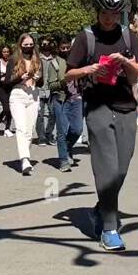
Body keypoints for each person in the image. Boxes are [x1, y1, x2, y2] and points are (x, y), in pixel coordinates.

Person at [66, 0, 138, 251]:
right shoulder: (85, 37)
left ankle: (100, 209)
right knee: (107, 169)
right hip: (97, 106)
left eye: (114, 13)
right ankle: (110, 229)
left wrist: (124, 63)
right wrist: (89, 69)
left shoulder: (128, 36)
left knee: (122, 167)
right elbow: (68, 75)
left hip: (126, 106)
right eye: (105, 13)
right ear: (98, 11)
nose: (109, 18)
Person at [6, 33, 43, 175]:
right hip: (18, 94)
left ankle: (25, 156)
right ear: (20, 45)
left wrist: (37, 78)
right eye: (25, 45)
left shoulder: (37, 60)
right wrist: (19, 77)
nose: (28, 47)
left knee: (30, 129)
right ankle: (25, 159)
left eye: (31, 44)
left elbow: (42, 82)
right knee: (21, 128)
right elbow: (6, 82)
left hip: (33, 95)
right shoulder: (14, 59)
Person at [47, 35, 83, 172]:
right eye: (63, 47)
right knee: (61, 131)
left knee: (77, 129)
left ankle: (67, 148)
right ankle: (63, 160)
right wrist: (63, 80)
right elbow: (51, 85)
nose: (66, 50)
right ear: (58, 48)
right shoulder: (54, 63)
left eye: (68, 47)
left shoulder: (77, 61)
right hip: (60, 99)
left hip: (77, 98)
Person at [36, 35, 58, 147]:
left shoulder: (55, 58)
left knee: (53, 113)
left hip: (51, 90)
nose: (46, 46)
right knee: (39, 115)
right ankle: (41, 137)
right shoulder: (37, 58)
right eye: (43, 44)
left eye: (48, 44)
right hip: (39, 89)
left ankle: (49, 133)